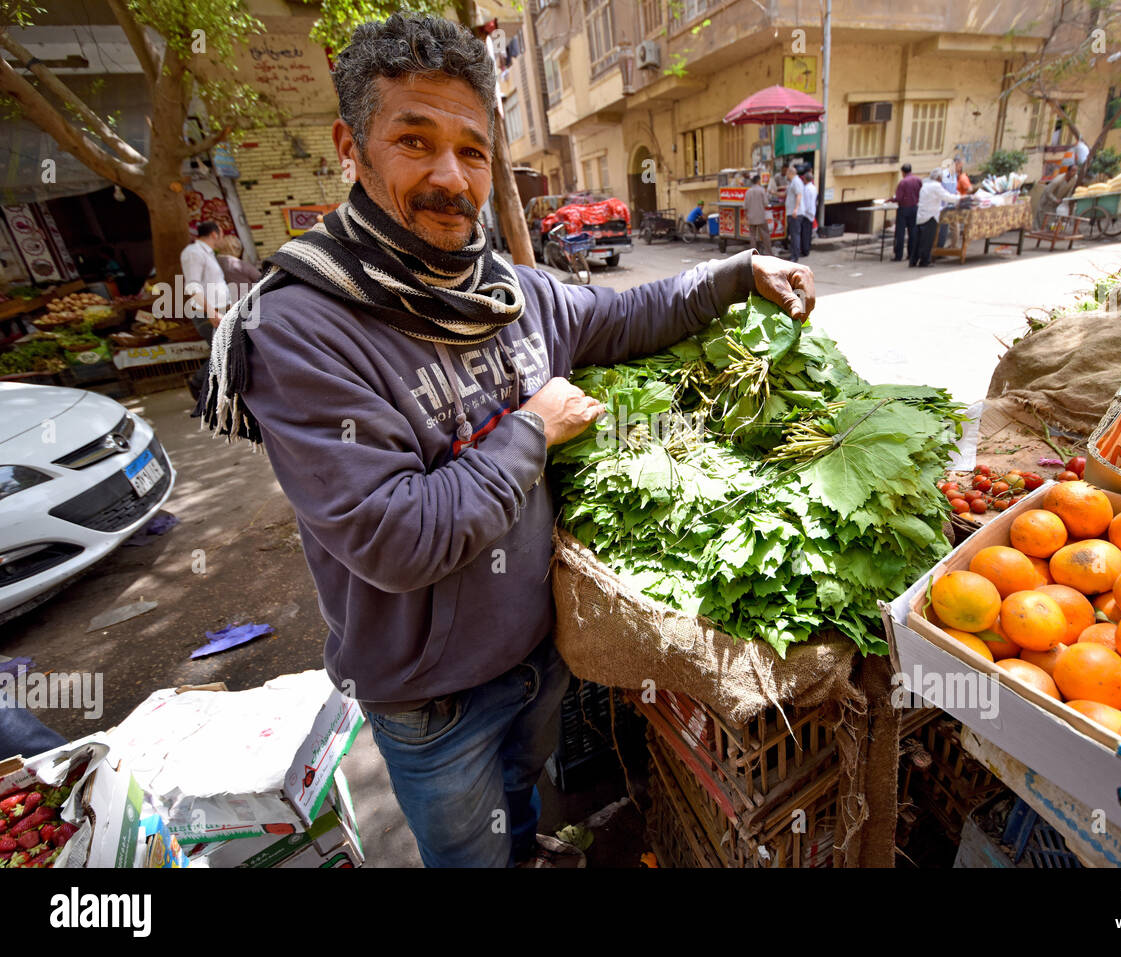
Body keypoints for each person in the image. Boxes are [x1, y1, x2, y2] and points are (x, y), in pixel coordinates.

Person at [197, 13, 815, 870]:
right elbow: (396, 535)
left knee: (519, 809)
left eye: (473, 150)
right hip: (431, 698)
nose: (450, 176)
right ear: (353, 144)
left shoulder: (510, 290)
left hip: (537, 650)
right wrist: (534, 428)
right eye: (414, 140)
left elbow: (625, 313)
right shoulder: (300, 328)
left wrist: (738, 271)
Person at [180, 221, 228, 343]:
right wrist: (211, 312)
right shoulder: (193, 252)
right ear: (214, 235)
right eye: (222, 235)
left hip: (218, 311)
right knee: (221, 356)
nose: (223, 239)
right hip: (208, 314)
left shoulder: (208, 253)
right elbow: (192, 286)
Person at [913, 168, 961, 267]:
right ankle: (924, 261)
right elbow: (947, 197)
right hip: (931, 216)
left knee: (918, 240)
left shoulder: (925, 185)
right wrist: (961, 198)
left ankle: (913, 260)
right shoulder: (936, 186)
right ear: (939, 177)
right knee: (928, 240)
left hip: (922, 214)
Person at [216, 234, 261, 305]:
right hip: (250, 303)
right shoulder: (239, 265)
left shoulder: (215, 263)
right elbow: (263, 280)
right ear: (235, 248)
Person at [890, 163, 922, 263]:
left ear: (903, 172)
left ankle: (898, 255)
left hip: (904, 208)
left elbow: (898, 197)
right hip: (915, 208)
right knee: (913, 232)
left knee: (900, 232)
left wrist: (891, 200)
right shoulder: (918, 180)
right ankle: (911, 254)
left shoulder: (903, 182)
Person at [744, 174, 772, 255]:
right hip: (761, 217)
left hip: (751, 217)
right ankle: (769, 253)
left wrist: (747, 216)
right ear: (759, 181)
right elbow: (766, 203)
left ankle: (753, 254)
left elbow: (745, 206)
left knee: (752, 236)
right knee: (765, 235)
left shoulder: (748, 191)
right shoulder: (761, 190)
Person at [783, 163, 805, 261]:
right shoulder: (793, 182)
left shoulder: (796, 182)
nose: (786, 175)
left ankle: (795, 256)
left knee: (795, 234)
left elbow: (799, 195)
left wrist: (795, 209)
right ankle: (793, 254)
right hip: (792, 212)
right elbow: (786, 194)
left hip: (795, 213)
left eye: (787, 173)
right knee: (793, 234)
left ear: (791, 173)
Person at [798, 168, 816, 257]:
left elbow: (807, 203)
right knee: (808, 233)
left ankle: (805, 250)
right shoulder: (813, 187)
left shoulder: (807, 189)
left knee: (805, 233)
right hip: (811, 213)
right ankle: (807, 248)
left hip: (806, 213)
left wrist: (804, 211)